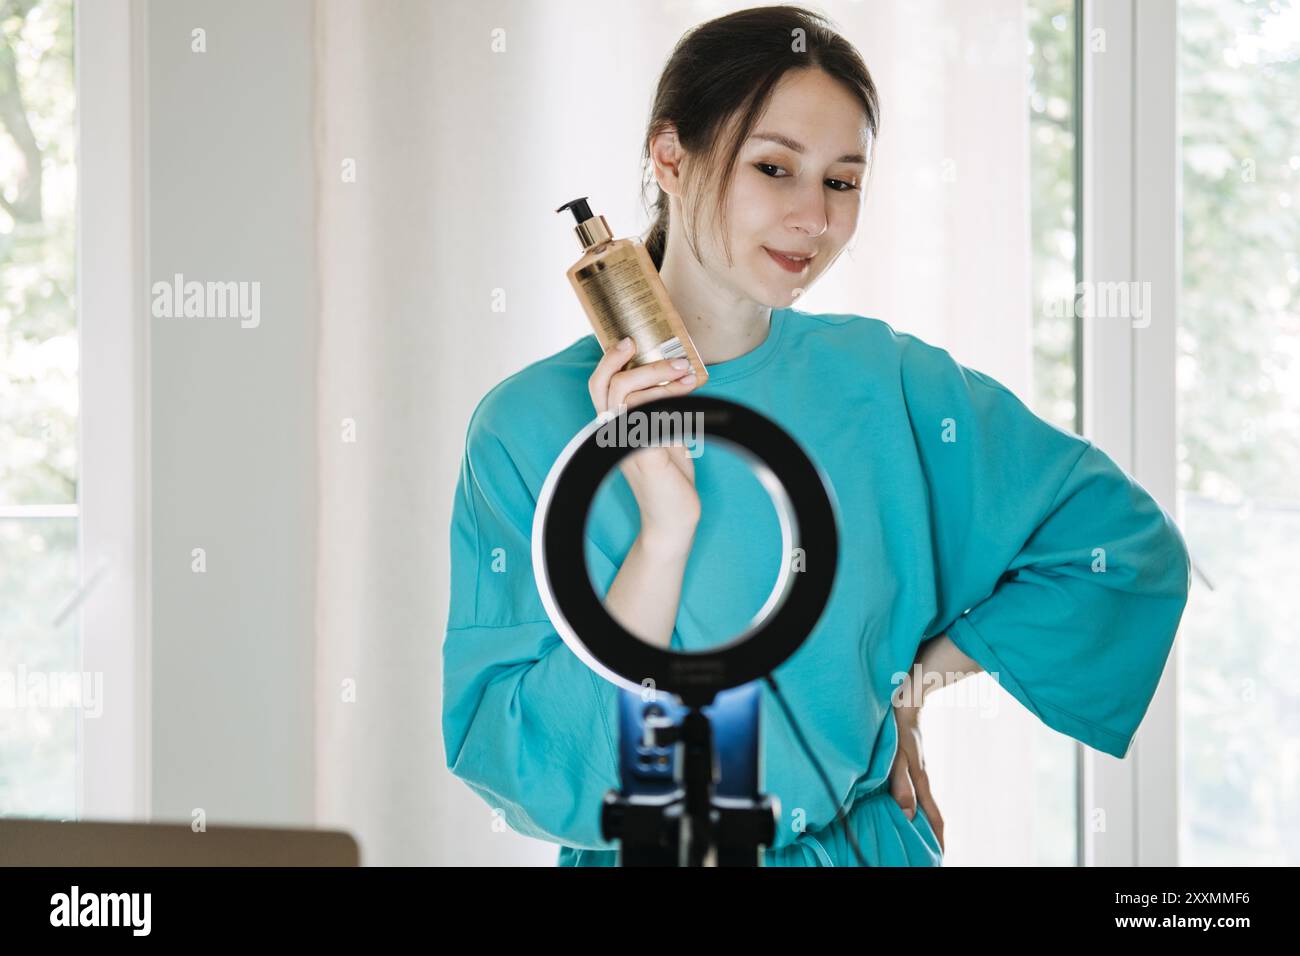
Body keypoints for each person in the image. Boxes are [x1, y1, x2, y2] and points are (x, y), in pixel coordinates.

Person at [440, 5, 1191, 866]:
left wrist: (910, 686)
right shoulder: (528, 426)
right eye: (774, 167)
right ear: (671, 157)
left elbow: (1119, 547)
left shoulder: (891, 384)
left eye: (841, 182)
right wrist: (664, 534)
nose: (814, 218)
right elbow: (525, 763)